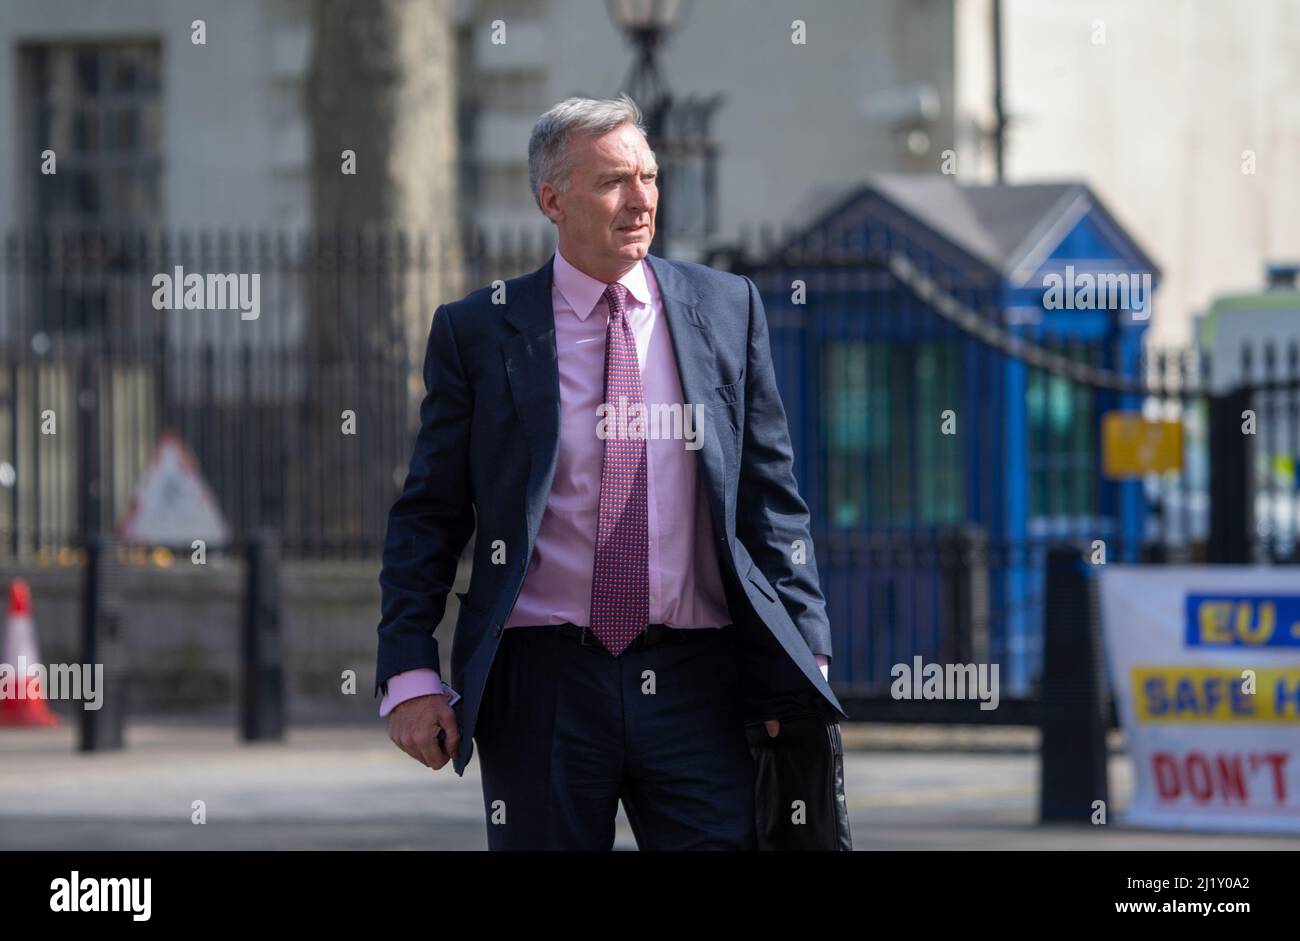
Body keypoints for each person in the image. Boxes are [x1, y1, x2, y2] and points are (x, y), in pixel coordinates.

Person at [375, 94, 845, 850]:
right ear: (552, 199)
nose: (641, 199)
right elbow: (429, 515)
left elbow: (772, 502)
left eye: (649, 177)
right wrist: (409, 674)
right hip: (543, 685)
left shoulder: (727, 310)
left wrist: (804, 656)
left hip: (701, 680)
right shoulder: (479, 330)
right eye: (613, 182)